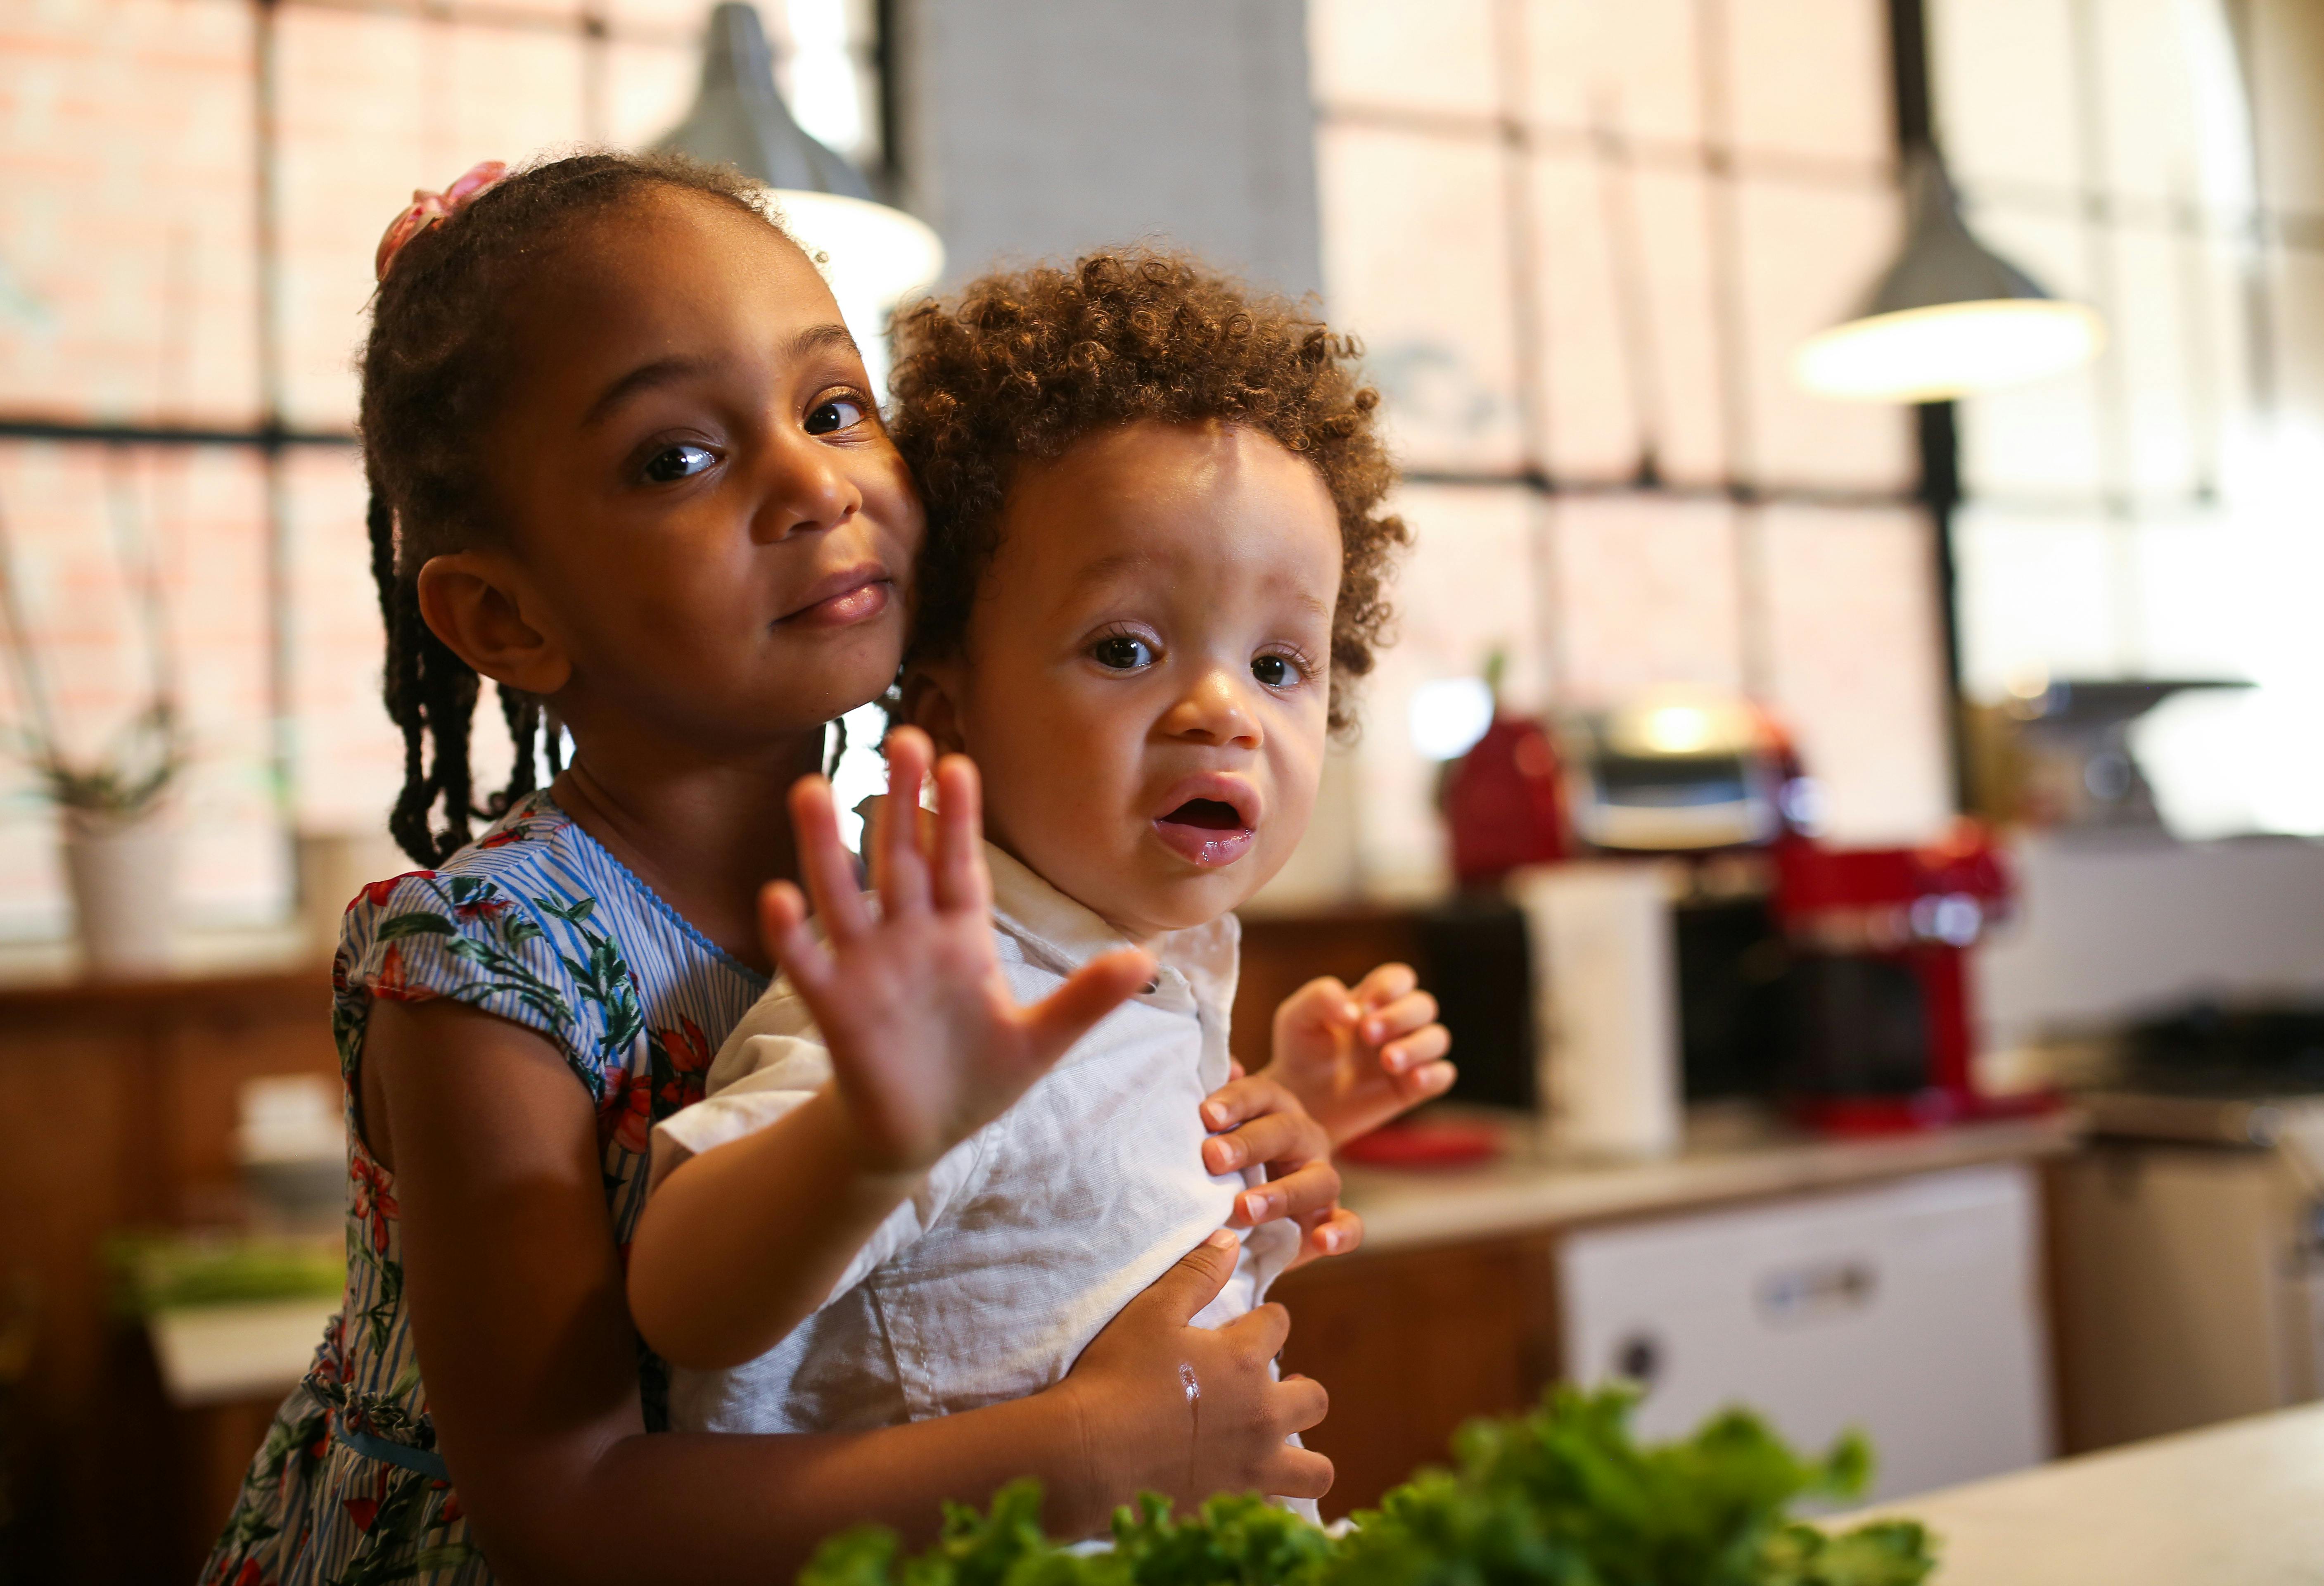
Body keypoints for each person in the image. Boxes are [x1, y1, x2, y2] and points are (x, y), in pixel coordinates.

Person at [201, 156, 1446, 1586]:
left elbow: (1021, 1197)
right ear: (505, 612)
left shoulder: (959, 876)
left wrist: (1251, 1124)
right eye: (677, 456)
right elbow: (566, 1511)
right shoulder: (487, 976)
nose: (813, 482)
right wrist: (1101, 1449)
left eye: (834, 407)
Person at [626, 252, 1443, 1522]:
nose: (1225, 708)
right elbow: (683, 1298)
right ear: (950, 709)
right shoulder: (946, 990)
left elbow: (1070, 1220)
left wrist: (1290, 1118)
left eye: (1282, 662)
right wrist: (875, 1137)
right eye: (1126, 647)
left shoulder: (1142, 973)